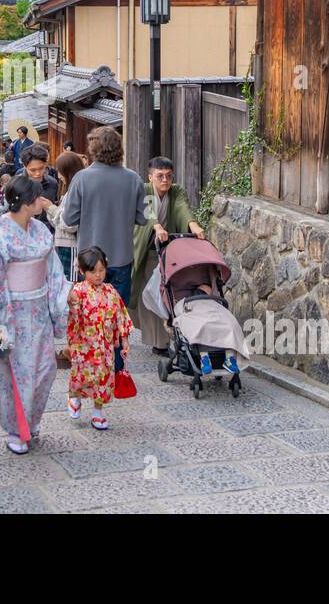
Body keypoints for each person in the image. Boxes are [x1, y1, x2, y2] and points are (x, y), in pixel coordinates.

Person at [0, 174, 69, 455]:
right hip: (10, 314)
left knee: (43, 370)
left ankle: (32, 422)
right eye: (37, 197)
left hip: (38, 311)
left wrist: (63, 297)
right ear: (26, 203)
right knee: (16, 372)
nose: (41, 201)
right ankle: (16, 428)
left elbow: (53, 272)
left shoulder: (41, 231)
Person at [61, 126, 147, 373]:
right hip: (121, 256)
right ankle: (116, 366)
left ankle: (91, 363)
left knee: (88, 314)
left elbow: (69, 218)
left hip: (90, 259)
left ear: (93, 149)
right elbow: (143, 218)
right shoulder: (134, 179)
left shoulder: (82, 178)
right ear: (119, 149)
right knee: (117, 316)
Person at [131, 156, 208, 355]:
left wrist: (193, 225)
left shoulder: (177, 191)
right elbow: (147, 213)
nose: (165, 180)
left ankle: (165, 339)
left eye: (168, 176)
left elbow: (182, 208)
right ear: (150, 177)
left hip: (170, 251)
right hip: (148, 251)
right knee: (149, 293)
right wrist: (156, 227)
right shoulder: (144, 190)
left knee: (167, 294)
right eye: (160, 176)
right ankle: (159, 342)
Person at [66, 246, 133, 431]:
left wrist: (125, 339)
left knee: (103, 379)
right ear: (82, 271)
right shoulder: (78, 292)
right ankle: (75, 398)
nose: (98, 275)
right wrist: (71, 341)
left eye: (102, 270)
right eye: (93, 271)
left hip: (105, 347)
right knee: (81, 375)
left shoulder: (111, 291)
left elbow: (121, 315)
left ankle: (97, 412)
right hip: (84, 345)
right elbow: (72, 317)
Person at [48, 151, 85, 280]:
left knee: (70, 285)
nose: (58, 176)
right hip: (64, 243)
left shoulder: (74, 192)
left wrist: (50, 208)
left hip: (71, 245)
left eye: (60, 172)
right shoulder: (69, 189)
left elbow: (70, 224)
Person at [20, 143, 61, 231]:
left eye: (41, 168)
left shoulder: (52, 183)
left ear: (46, 164)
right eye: (33, 170)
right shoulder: (17, 184)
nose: (38, 173)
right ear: (24, 166)